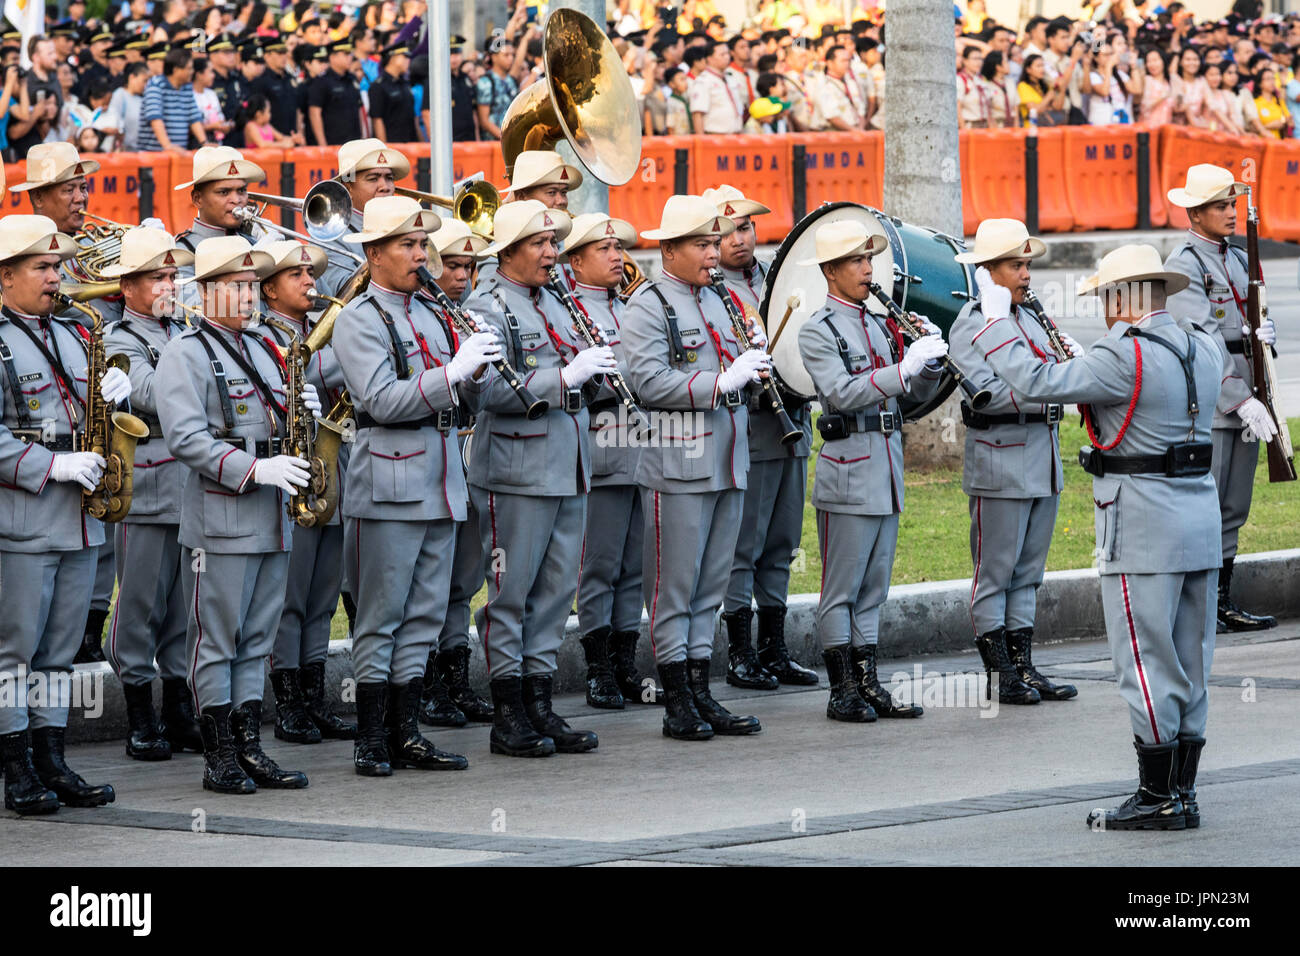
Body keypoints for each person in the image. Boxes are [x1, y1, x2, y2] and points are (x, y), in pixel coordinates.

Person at [971, 244, 1222, 831]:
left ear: (1124, 297)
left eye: (1108, 297)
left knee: (1143, 659)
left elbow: (1036, 380)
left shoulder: (1121, 355)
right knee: (1193, 659)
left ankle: (1156, 795)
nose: (1105, 308)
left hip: (1141, 524)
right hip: (1199, 523)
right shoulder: (1203, 346)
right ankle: (1183, 793)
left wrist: (992, 324)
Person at [154, 235, 312, 795]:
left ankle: (249, 747)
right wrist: (253, 469)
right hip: (223, 514)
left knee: (257, 639)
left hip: (273, 514)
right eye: (236, 286)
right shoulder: (186, 352)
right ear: (206, 291)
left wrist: (304, 413)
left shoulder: (270, 344)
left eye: (250, 286)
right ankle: (218, 753)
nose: (248, 297)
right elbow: (186, 438)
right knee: (216, 639)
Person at [462, 200, 613, 757]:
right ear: (509, 251)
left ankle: (539, 704)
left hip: (568, 465)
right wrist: (564, 375)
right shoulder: (486, 305)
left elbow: (578, 383)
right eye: (541, 244)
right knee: (512, 594)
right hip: (516, 472)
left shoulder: (555, 300)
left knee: (554, 595)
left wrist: (596, 374)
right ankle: (508, 716)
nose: (553, 254)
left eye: (554, 244)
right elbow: (488, 392)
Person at [620, 195, 767, 741]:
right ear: (671, 250)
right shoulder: (648, 305)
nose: (713, 254)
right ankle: (677, 697)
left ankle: (702, 689)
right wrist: (719, 383)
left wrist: (749, 374)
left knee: (711, 585)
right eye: (703, 245)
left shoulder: (720, 299)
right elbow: (648, 381)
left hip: (728, 460)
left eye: (714, 243)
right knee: (674, 589)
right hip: (677, 466)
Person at [0, 215, 127, 815]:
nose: (57, 278)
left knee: (57, 650)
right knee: (13, 651)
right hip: (23, 517)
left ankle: (51, 755)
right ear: (5, 278)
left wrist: (113, 397)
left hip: (81, 519)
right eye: (42, 268)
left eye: (57, 267)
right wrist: (51, 465)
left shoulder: (77, 332)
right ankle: (16, 765)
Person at [796, 219, 943, 722]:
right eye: (857, 261)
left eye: (869, 259)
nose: (867, 269)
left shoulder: (879, 323)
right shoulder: (819, 329)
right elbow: (842, 392)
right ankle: (842, 690)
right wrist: (902, 370)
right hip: (850, 467)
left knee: (873, 586)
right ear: (831, 271)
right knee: (842, 587)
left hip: (885, 465)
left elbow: (912, 397)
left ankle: (868, 681)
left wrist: (929, 365)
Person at [948, 219, 1078, 706]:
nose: (1026, 275)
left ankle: (1024, 665)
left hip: (1041, 461)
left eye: (1026, 264)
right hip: (1001, 464)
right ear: (987, 270)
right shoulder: (972, 322)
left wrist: (1066, 371)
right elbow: (989, 392)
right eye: (1014, 265)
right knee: (995, 572)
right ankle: (999, 672)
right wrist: (1050, 384)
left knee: (1028, 572)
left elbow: (1053, 372)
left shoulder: (1030, 317)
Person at [703, 185, 817, 692]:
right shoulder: (708, 292)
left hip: (790, 426)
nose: (738, 239)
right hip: (747, 431)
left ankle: (774, 648)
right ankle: (742, 653)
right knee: (743, 547)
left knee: (782, 542)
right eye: (726, 231)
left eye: (745, 227)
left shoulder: (776, 279)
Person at [101, 227, 205, 762]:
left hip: (189, 487)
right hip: (149, 487)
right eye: (158, 277)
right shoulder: (122, 337)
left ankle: (177, 708)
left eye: (173, 275)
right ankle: (139, 712)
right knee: (140, 603)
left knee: (185, 608)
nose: (170, 285)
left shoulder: (183, 331)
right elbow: (148, 395)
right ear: (128, 287)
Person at [1163, 165, 1281, 632]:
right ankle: (1198, 602)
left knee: (1234, 504)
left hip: (1250, 392)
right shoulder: (1185, 264)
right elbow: (1203, 342)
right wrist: (1239, 398)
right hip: (1216, 402)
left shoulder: (1236, 258)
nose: (1231, 213)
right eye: (1221, 206)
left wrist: (1266, 335)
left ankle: (1221, 599)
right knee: (1205, 504)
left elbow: (1254, 315)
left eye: (1233, 204)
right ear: (1195, 212)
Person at [256, 238, 356, 746]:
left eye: (310, 274)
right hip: (292, 479)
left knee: (321, 600)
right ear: (269, 288)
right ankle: (290, 703)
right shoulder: (261, 337)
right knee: (290, 600)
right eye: (296, 275)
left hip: (330, 472)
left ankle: (315, 701)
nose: (310, 282)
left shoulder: (320, 333)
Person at [561, 212, 654, 710]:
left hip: (643, 451)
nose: (618, 257)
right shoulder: (568, 312)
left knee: (634, 567)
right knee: (598, 565)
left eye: (619, 247)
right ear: (576, 261)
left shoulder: (634, 307)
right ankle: (597, 666)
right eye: (605, 249)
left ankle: (625, 662)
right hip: (601, 451)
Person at [417, 219, 496, 728]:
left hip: (465, 454)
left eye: (470, 266)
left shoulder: (468, 318)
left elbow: (478, 398)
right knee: (424, 583)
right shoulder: (418, 318)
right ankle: (423, 687)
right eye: (453, 265)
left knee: (462, 578)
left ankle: (455, 680)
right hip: (427, 455)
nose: (463, 276)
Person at [172, 146, 268, 309]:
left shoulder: (253, 241)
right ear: (197, 199)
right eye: (224, 192)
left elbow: (320, 300)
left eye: (242, 191)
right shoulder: (184, 250)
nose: (236, 200)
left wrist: (281, 253)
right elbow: (186, 309)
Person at [137, 48, 206, 152]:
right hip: (153, 154)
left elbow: (194, 117)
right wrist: (167, 146)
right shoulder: (156, 85)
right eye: (189, 68)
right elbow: (155, 118)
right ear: (176, 70)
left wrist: (204, 143)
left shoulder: (186, 87)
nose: (192, 72)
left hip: (178, 154)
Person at [308, 38, 363, 146]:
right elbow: (315, 113)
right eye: (346, 54)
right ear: (333, 57)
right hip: (333, 143)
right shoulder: (322, 81)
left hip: (354, 142)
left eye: (350, 54)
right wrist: (322, 144)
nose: (350, 57)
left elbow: (359, 109)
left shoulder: (352, 79)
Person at [689, 39, 742, 133]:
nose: (727, 57)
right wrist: (701, 142)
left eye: (727, 54)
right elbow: (697, 114)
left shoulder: (730, 78)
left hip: (735, 135)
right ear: (709, 58)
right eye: (722, 55)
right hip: (715, 136)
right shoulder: (703, 81)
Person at [368, 43, 417, 144]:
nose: (408, 61)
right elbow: (377, 120)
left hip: (410, 145)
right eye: (405, 57)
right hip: (392, 145)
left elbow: (413, 117)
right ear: (393, 58)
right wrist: (384, 150)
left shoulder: (405, 83)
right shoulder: (378, 86)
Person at [814, 43, 866, 130]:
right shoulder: (823, 84)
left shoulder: (850, 80)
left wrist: (860, 128)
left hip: (856, 131)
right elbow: (832, 117)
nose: (847, 64)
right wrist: (856, 132)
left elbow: (860, 108)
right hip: (835, 135)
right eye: (843, 61)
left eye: (849, 60)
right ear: (830, 63)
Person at [1137, 47, 1174, 126]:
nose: (1152, 64)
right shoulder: (1146, 80)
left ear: (1163, 61)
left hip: (1166, 130)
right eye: (1148, 61)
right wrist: (1163, 96)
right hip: (1147, 129)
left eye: (1155, 60)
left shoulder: (1169, 82)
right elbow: (1144, 106)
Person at [1253, 67, 1290, 136]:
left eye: (1273, 78)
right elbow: (1251, 127)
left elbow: (1288, 119)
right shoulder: (1255, 103)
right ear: (1259, 83)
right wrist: (1269, 126)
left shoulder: (1279, 100)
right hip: (1261, 143)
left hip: (1280, 143)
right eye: (1268, 79)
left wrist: (1283, 122)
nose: (1272, 81)